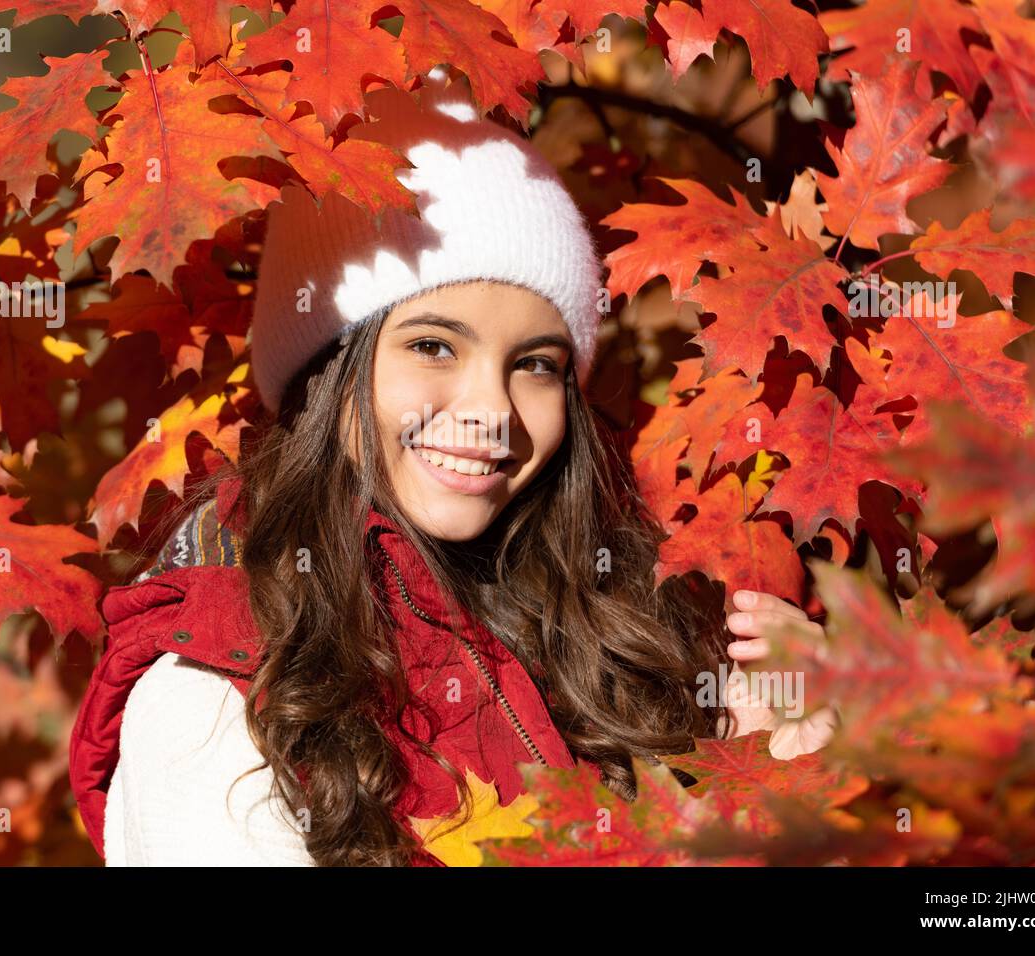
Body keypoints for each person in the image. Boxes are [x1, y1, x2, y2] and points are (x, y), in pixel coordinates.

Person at [68, 69, 837, 867]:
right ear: (326, 374)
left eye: (536, 364)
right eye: (433, 345)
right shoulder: (218, 699)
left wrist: (775, 774)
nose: (492, 410)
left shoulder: (605, 641)